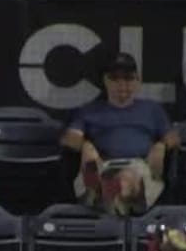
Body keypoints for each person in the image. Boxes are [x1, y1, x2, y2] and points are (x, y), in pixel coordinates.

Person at [62, 53, 177, 217]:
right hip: (103, 163)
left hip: (140, 167)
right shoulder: (89, 111)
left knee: (125, 178)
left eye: (128, 78)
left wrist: (161, 146)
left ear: (138, 82)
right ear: (106, 81)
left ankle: (102, 195)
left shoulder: (152, 110)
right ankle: (108, 195)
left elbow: (174, 138)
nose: (122, 84)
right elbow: (70, 139)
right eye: (115, 78)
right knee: (96, 170)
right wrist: (86, 145)